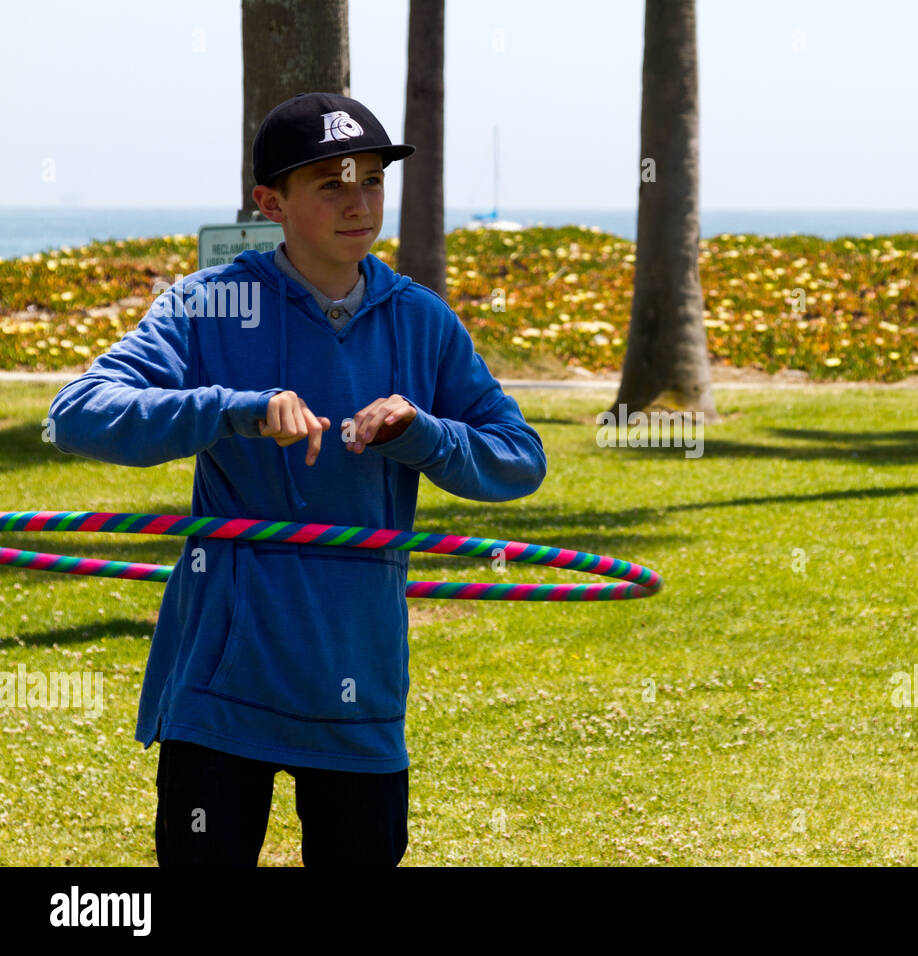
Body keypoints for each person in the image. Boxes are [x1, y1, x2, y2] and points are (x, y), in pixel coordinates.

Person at [47, 92, 547, 867]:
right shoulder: (211, 305)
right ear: (270, 202)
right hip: (221, 688)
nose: (360, 203)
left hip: (358, 690)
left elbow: (519, 460)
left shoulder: (422, 322)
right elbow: (79, 412)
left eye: (372, 181)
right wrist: (234, 409)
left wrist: (423, 433)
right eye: (332, 185)